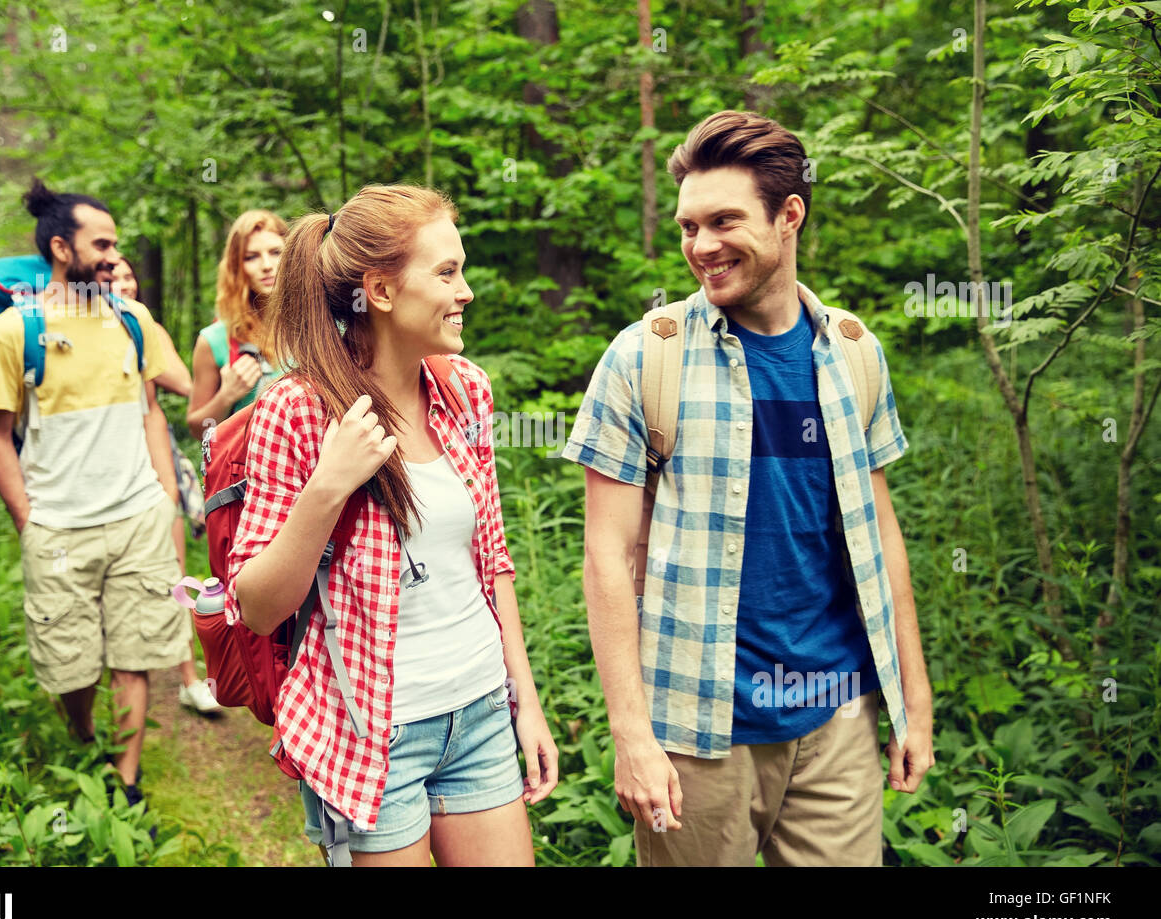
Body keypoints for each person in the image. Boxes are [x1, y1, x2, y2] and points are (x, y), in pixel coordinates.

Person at [562, 110, 935, 866]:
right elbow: (606, 556)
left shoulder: (853, 354)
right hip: (699, 729)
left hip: (838, 722)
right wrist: (631, 736)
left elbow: (879, 535)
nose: (702, 247)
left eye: (724, 221)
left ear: (789, 214)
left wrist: (913, 699)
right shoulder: (643, 360)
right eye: (688, 227)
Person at [226, 184, 559, 866]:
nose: (464, 290)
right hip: (371, 731)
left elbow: (490, 559)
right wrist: (329, 484)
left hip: (479, 713)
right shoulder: (298, 411)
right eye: (446, 273)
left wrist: (525, 700)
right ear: (379, 291)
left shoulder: (465, 388)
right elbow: (257, 607)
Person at [0, 178, 193, 805]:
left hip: (136, 518)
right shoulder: (11, 335)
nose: (112, 255)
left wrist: (166, 497)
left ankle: (126, 785)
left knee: (135, 655)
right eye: (100, 243)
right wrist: (29, 520)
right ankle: (81, 731)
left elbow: (162, 404)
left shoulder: (132, 320)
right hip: (58, 527)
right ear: (60, 247)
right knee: (72, 664)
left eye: (115, 244)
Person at [109, 257, 221, 715]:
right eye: (112, 276)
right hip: (105, 470)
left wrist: (223, 348)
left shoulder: (144, 328)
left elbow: (185, 383)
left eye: (129, 274)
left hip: (153, 459)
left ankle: (189, 679)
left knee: (174, 569)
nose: (123, 282)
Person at [186, 210, 288, 439]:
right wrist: (227, 395)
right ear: (235, 266)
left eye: (275, 252)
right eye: (251, 257)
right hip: (255, 471)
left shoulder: (318, 324)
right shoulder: (214, 339)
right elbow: (196, 429)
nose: (266, 265)